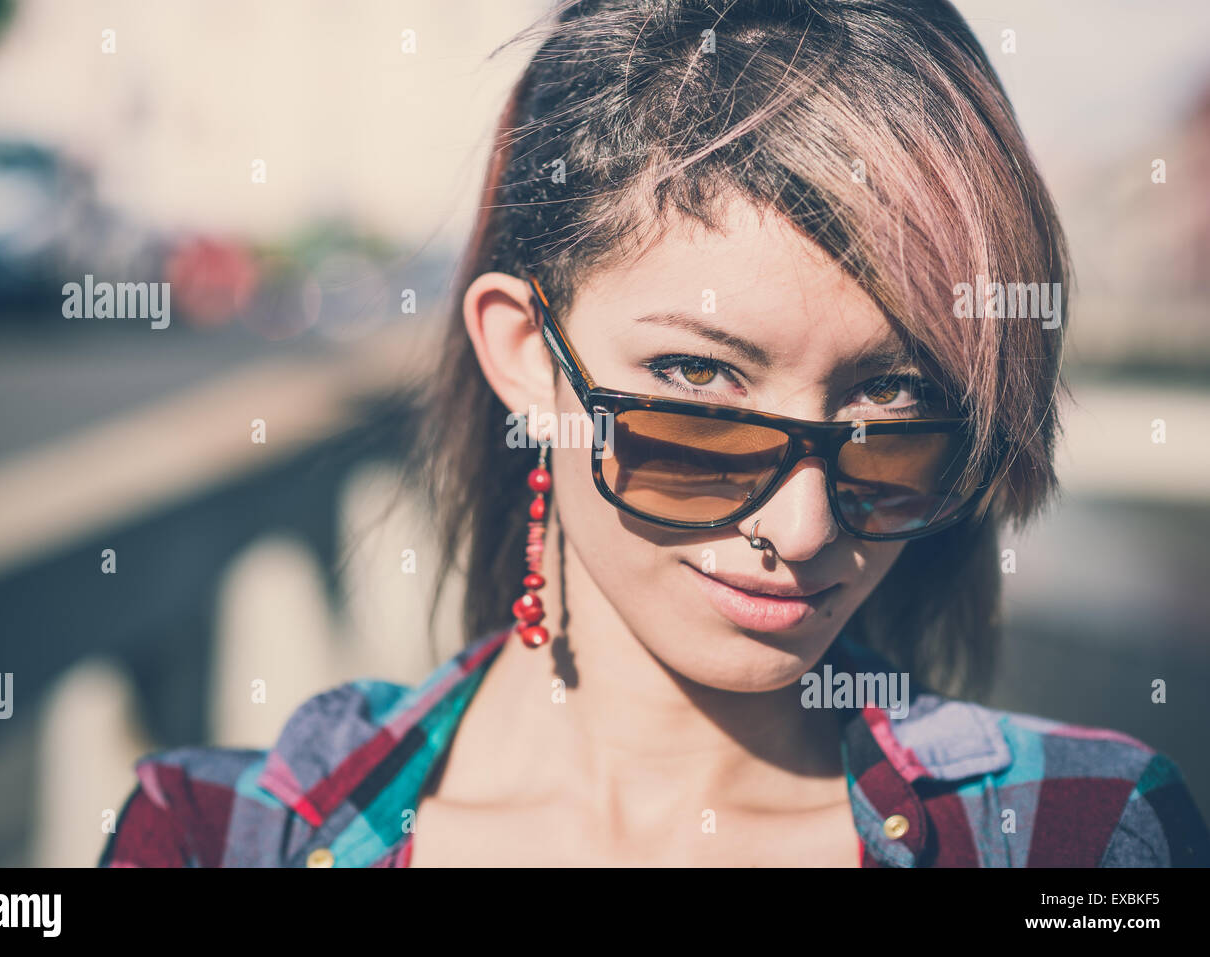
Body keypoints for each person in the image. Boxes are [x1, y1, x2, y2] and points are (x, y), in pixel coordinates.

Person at [99, 0, 1210, 867]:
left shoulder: (1086, 835)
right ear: (527, 354)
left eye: (893, 412)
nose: (806, 524)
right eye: (699, 387)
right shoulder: (213, 840)